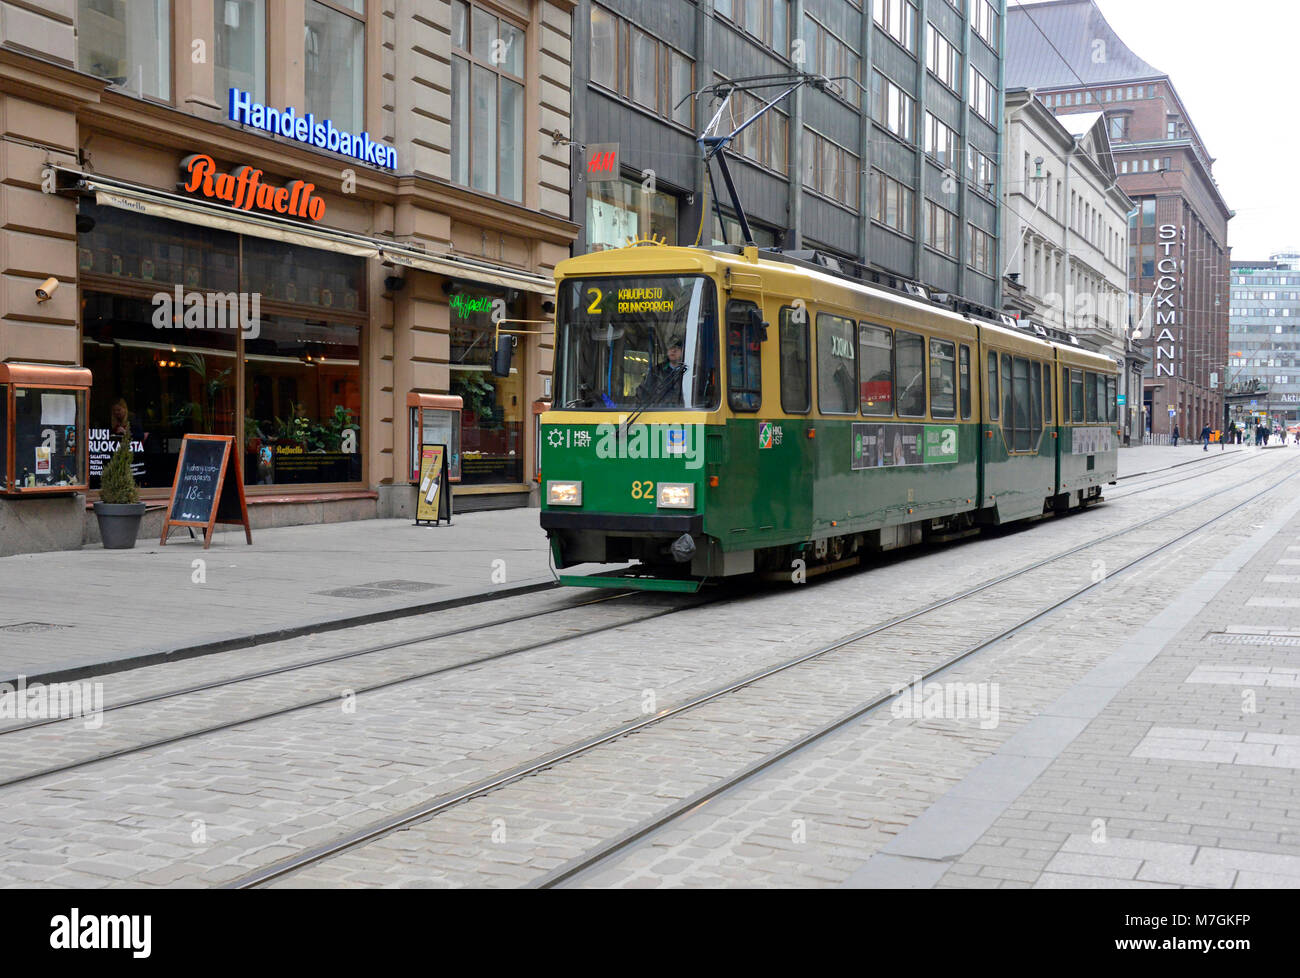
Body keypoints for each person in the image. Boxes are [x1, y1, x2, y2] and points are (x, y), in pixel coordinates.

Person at [636, 336, 685, 406]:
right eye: (671, 347)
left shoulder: (692, 372)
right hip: (658, 413)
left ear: (683, 351)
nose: (673, 350)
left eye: (677, 348)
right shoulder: (656, 371)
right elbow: (642, 394)